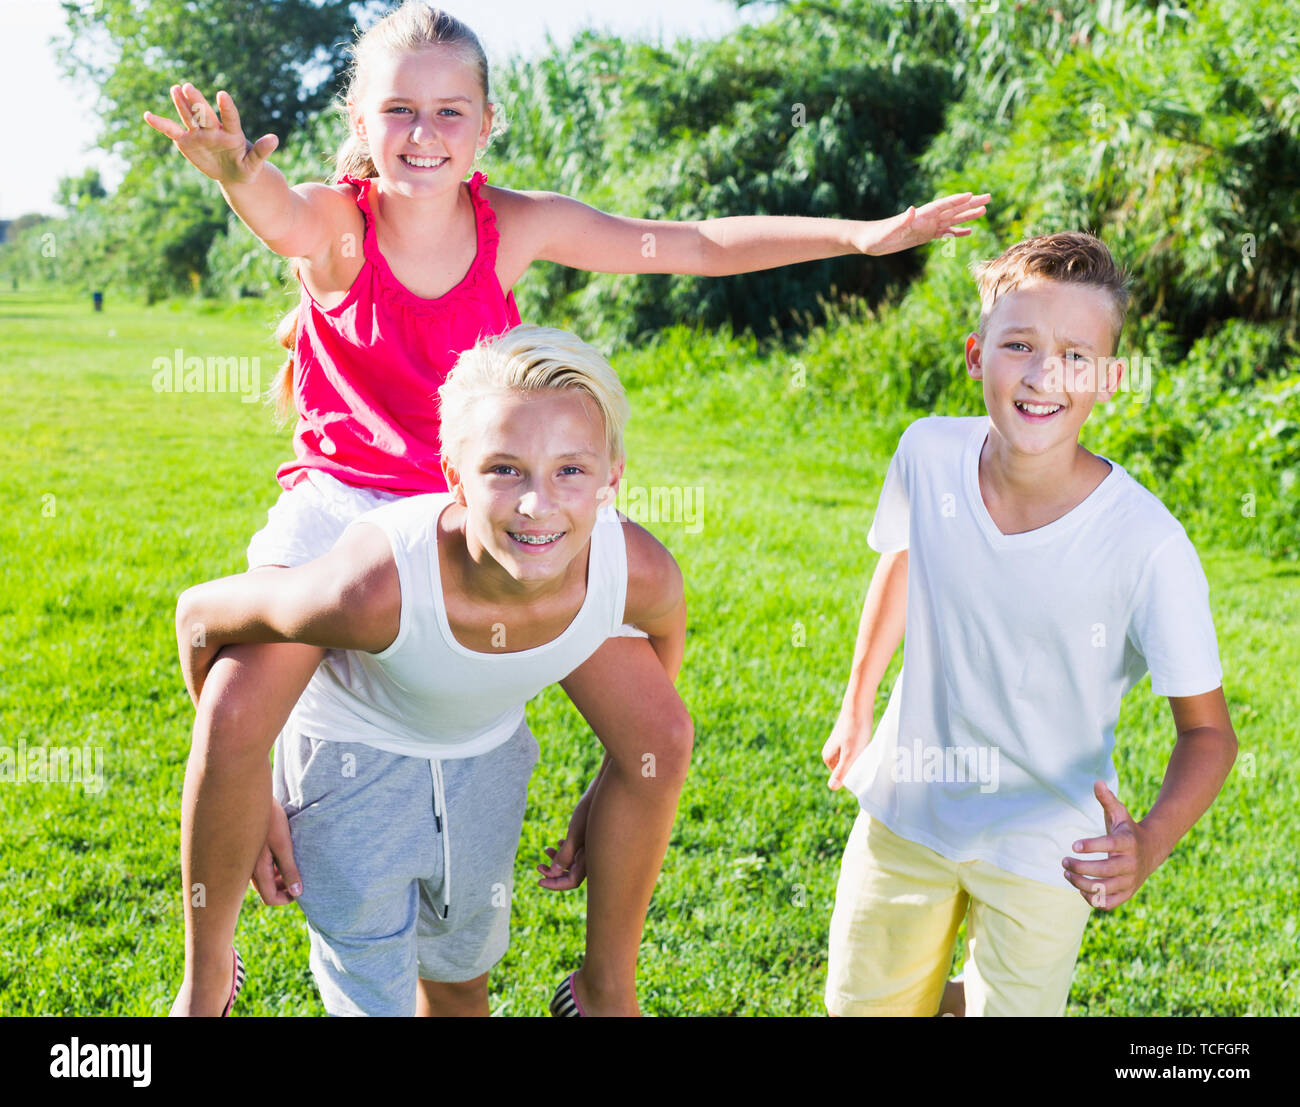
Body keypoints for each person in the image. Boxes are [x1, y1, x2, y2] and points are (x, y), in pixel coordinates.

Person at [143, 1, 989, 1016]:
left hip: (495, 510)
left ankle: (605, 987)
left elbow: (687, 245)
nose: (424, 134)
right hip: (343, 507)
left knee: (656, 736)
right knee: (236, 706)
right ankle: (208, 975)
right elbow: (279, 212)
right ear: (361, 125)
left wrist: (859, 236)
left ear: (487, 126)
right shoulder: (338, 227)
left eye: (451, 112)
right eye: (399, 111)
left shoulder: (515, 226)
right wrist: (240, 174)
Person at [174, 324, 685, 1016]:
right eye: (504, 469)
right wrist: (252, 783)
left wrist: (612, 779)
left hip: (482, 763)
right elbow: (198, 616)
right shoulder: (373, 588)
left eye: (571, 469)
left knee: (458, 980)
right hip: (352, 770)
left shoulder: (636, 571)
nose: (537, 504)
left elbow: (661, 661)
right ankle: (206, 984)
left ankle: (604, 993)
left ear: (611, 481)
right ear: (454, 479)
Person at [820, 231, 1238, 1017]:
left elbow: (1210, 736)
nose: (1045, 374)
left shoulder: (1148, 544)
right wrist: (857, 703)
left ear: (1108, 378)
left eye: (1075, 355)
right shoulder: (927, 453)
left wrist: (1145, 843)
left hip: (1048, 843)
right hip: (910, 805)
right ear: (978, 355)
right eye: (1020, 345)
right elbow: (904, 561)